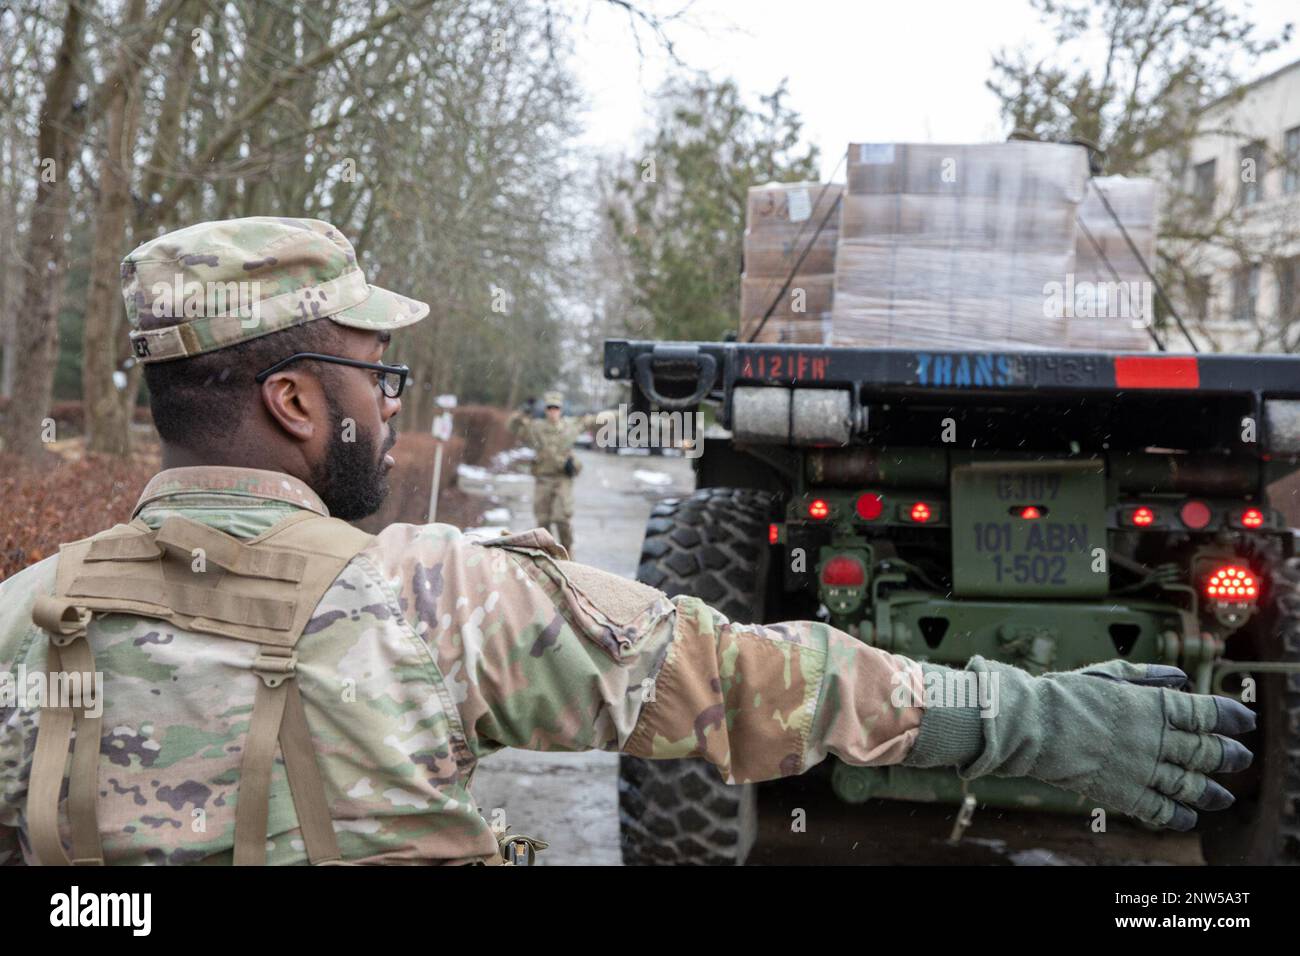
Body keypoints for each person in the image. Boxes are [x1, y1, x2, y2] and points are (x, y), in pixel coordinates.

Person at [0, 216, 1254, 867]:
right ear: (291, 402)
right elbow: (760, 679)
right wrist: (1039, 722)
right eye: (374, 371)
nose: (388, 399)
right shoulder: (440, 597)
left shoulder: (22, 617)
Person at [507, 391, 600, 558]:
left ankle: (567, 552)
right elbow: (512, 426)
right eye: (549, 408)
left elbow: (591, 421)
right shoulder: (536, 427)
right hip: (543, 479)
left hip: (562, 479)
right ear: (545, 410)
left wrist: (621, 413)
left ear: (561, 409)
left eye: (556, 408)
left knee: (562, 519)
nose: (553, 411)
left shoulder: (569, 426)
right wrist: (522, 411)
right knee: (543, 521)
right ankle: (546, 554)